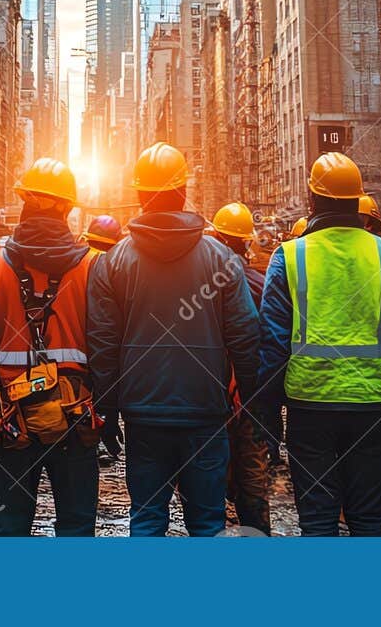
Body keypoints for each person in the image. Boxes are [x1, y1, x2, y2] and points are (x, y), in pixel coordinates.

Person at [87, 143, 258, 537]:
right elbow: (246, 336)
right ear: (183, 191)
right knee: (207, 523)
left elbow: (103, 343)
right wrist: (251, 400)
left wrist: (108, 409)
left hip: (143, 415)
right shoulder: (221, 259)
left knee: (147, 519)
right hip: (206, 412)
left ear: (140, 196)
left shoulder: (112, 262)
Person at [257, 154, 381, 536]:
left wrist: (267, 412)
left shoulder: (289, 257)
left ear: (312, 200)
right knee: (370, 519)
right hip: (373, 405)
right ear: (358, 201)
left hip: (310, 407)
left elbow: (272, 342)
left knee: (318, 520)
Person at [0, 158, 101, 536]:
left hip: (13, 418)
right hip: (75, 414)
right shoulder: (92, 265)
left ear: (25, 202)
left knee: (11, 523)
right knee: (76, 524)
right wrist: (100, 405)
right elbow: (107, 344)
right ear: (68, 208)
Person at [209, 202, 271, 535]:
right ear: (246, 242)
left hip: (212, 392)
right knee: (252, 469)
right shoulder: (260, 283)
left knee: (210, 470)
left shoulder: (203, 285)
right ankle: (257, 533)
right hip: (249, 392)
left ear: (216, 237)